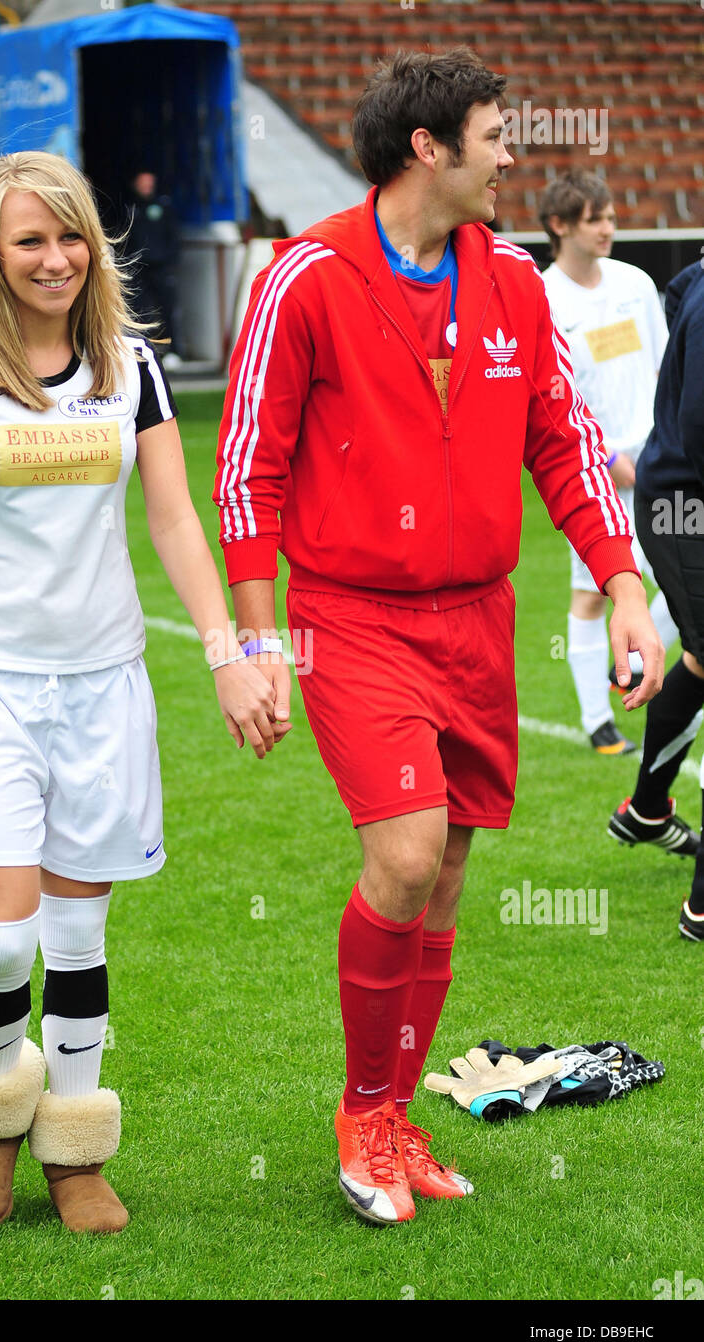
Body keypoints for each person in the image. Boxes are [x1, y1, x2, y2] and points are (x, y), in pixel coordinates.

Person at [213, 48, 663, 1226]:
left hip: (477, 620)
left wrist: (621, 583)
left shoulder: (509, 279)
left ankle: (397, 1113)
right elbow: (247, 469)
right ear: (428, 147)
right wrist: (254, 640)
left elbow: (563, 442)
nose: (509, 155)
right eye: (494, 135)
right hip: (350, 619)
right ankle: (360, 1114)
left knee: (448, 873)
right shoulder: (305, 276)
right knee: (406, 856)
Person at [0, 151, 277, 1234]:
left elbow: (173, 518)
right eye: (29, 239)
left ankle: (75, 1149)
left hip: (104, 688)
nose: (54, 258)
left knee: (78, 940)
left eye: (70, 234)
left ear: (95, 242)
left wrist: (226, 652)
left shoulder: (131, 368)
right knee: (2, 938)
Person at [539, 170, 677, 755]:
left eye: (611, 217)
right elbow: (553, 396)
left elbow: (665, 367)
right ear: (558, 225)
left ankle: (626, 664)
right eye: (594, 219)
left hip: (660, 460)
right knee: (594, 594)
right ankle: (599, 722)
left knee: (681, 579)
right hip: (593, 468)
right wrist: (607, 455)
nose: (607, 229)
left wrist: (669, 444)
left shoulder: (635, 283)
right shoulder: (543, 297)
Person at [607, 257, 704, 936]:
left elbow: (677, 292)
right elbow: (698, 422)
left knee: (699, 661)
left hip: (677, 498)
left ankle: (646, 809)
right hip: (684, 507)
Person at [124, 171, 183, 368]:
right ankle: (141, 352)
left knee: (167, 309)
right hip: (139, 270)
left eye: (149, 183)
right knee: (138, 311)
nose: (146, 187)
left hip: (161, 268)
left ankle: (173, 351)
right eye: (142, 183)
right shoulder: (130, 208)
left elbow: (173, 236)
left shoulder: (163, 207)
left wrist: (170, 261)